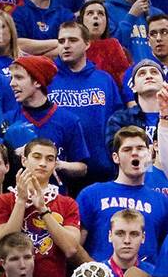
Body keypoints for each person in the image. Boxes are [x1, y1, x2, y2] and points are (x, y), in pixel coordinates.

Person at [0, 137, 83, 277]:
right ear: (24, 160)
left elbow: (71, 249)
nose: (43, 163)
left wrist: (42, 209)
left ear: (54, 165)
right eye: (37, 157)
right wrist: (21, 201)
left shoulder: (68, 203)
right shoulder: (3, 201)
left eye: (49, 159)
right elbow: (2, 245)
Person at [78, 126, 168, 265]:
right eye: (127, 149)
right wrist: (97, 273)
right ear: (116, 157)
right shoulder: (91, 194)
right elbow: (74, 247)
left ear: (150, 154)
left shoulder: (164, 202)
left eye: (140, 148)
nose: (135, 153)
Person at [49, 22, 124, 183]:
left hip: (101, 168)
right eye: (61, 41)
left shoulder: (104, 80)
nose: (66, 46)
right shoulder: (48, 80)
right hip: (59, 170)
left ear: (87, 43)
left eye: (73, 40)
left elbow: (118, 122)